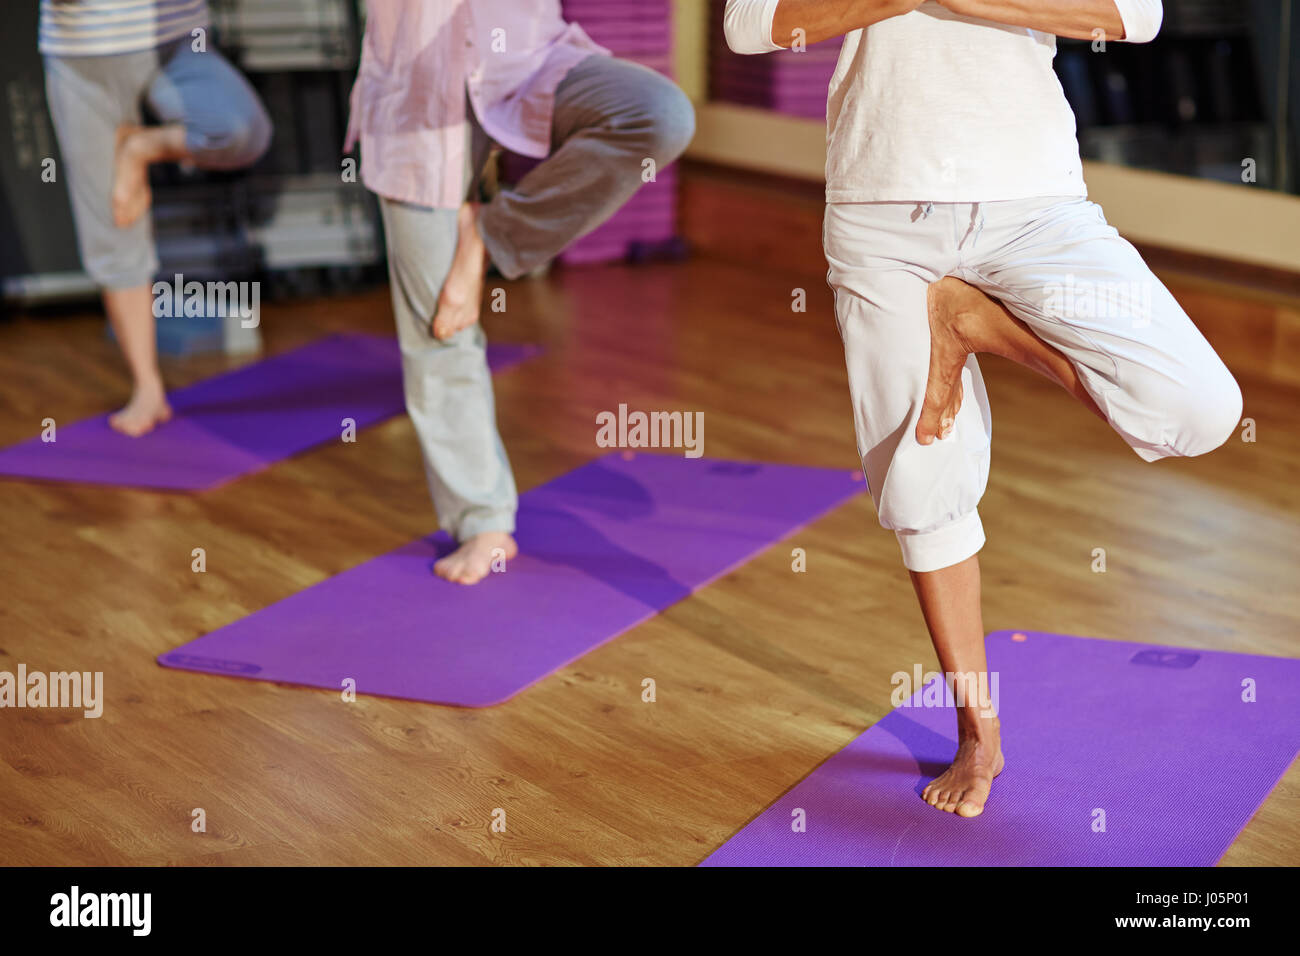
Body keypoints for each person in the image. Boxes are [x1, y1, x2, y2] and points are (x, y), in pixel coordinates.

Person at [725, 0, 1240, 817]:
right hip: (884, 211)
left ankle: (973, 321)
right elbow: (754, 26)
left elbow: (1133, 14)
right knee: (920, 486)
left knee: (1201, 407)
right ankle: (978, 731)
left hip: (1035, 206)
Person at [346, 1, 695, 585]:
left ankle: (488, 234)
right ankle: (483, 519)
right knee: (440, 325)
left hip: (528, 60)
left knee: (659, 113)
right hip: (417, 96)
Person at [40, 0, 272, 436]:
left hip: (177, 38)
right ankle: (147, 388)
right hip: (80, 51)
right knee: (112, 222)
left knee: (240, 130)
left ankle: (141, 147)